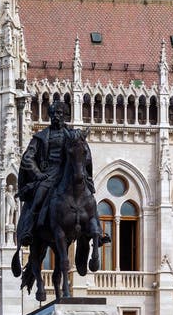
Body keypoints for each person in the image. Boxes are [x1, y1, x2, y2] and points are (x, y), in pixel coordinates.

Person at [17, 100, 106, 248]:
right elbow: (28, 158)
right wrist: (38, 174)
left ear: (65, 115)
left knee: (89, 198)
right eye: (53, 113)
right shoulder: (41, 136)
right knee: (39, 197)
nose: (55, 116)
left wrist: (83, 172)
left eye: (59, 113)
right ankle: (28, 230)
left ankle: (98, 232)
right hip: (48, 174)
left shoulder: (72, 135)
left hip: (68, 172)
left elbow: (84, 154)